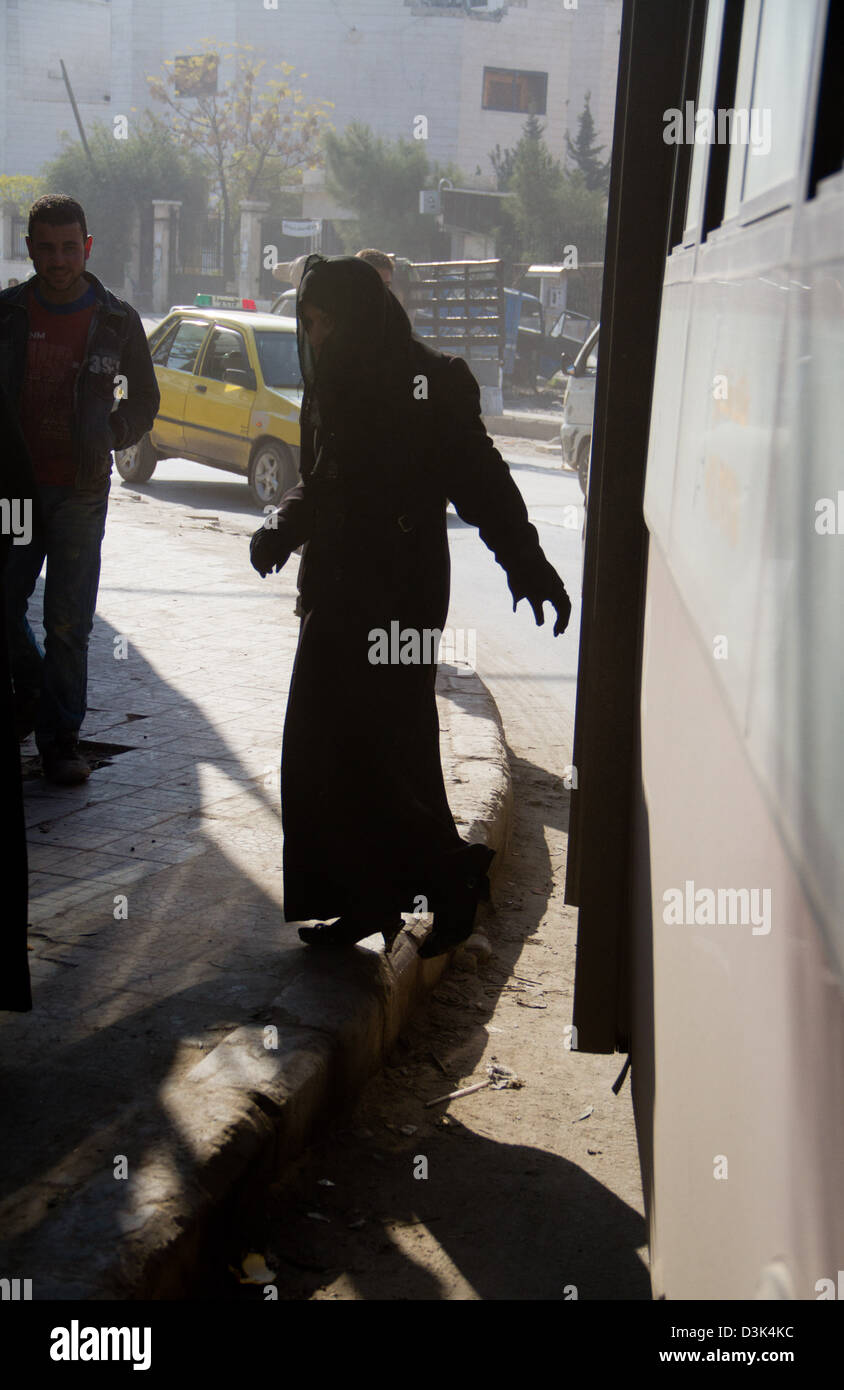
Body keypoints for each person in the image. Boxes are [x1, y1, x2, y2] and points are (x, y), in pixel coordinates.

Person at [250, 254, 570, 958]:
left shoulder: (432, 384)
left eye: (324, 321)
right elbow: (329, 478)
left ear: (360, 317)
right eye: (309, 322)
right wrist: (285, 524)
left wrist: (527, 562)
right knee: (326, 752)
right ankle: (367, 902)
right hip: (337, 590)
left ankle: (451, 886)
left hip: (397, 597)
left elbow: (482, 480)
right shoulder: (336, 378)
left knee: (391, 754)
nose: (316, 334)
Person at [0, 194, 160, 785]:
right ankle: (39, 692)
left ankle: (60, 742)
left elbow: (145, 399)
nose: (59, 259)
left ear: (87, 248)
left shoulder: (116, 319)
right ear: (30, 249)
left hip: (80, 492)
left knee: (69, 622)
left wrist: (112, 432)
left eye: (70, 247)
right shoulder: (8, 314)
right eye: (47, 248)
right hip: (14, 492)